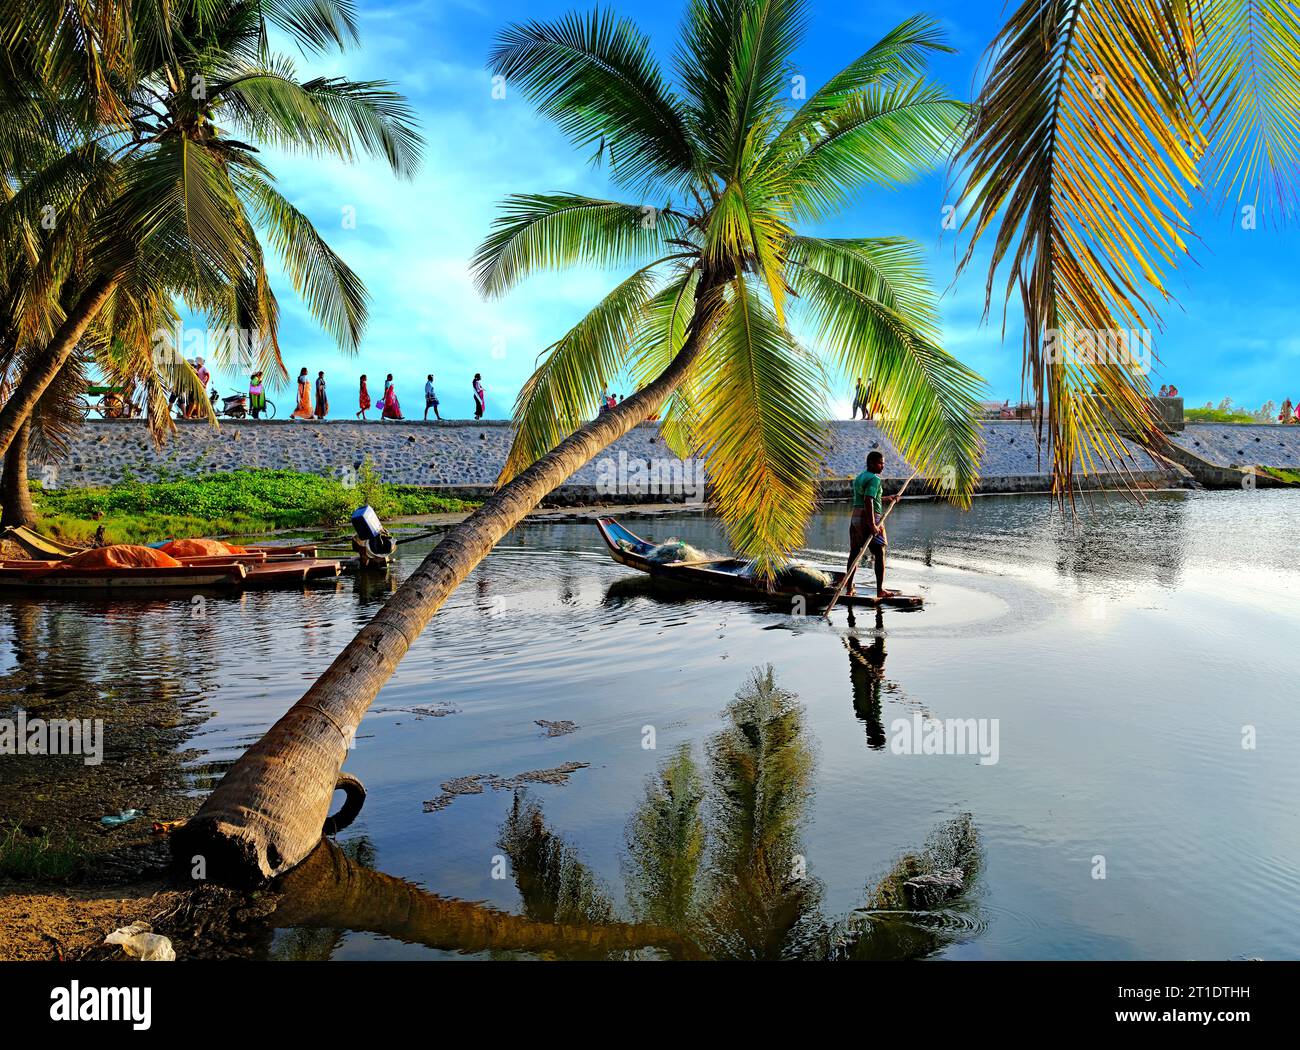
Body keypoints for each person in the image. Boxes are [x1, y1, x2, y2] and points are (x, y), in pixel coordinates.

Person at [846, 450, 899, 599]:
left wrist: (888, 498)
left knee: (854, 554)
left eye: (883, 463)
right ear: (871, 463)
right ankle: (880, 590)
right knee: (880, 553)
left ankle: (849, 588)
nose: (882, 466)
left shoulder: (860, 477)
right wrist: (872, 524)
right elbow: (868, 500)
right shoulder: (875, 479)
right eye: (880, 463)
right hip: (869, 519)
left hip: (855, 518)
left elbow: (872, 498)